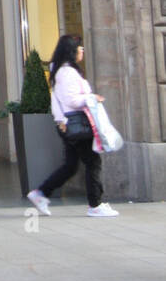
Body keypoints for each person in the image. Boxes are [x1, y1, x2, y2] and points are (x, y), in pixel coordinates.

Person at [26, 35, 119, 218]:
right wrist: (92, 98)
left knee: (71, 165)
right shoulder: (67, 73)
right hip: (77, 124)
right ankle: (95, 204)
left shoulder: (61, 71)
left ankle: (41, 193)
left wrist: (60, 120)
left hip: (69, 125)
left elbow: (57, 99)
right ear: (71, 51)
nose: (82, 50)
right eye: (79, 47)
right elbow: (72, 100)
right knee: (92, 162)